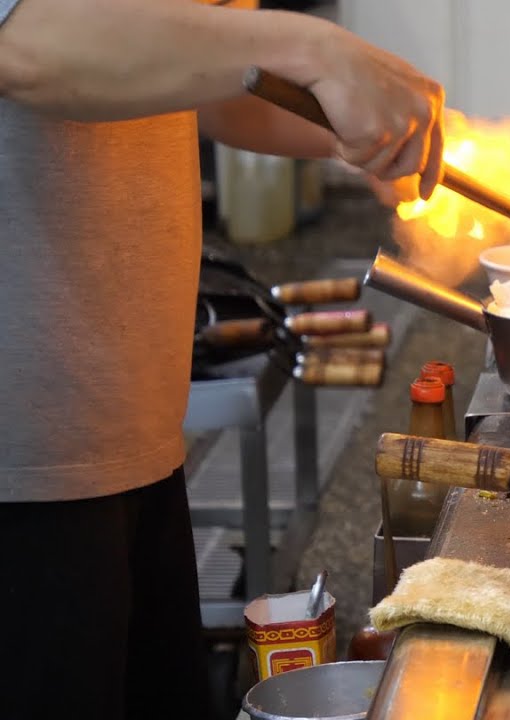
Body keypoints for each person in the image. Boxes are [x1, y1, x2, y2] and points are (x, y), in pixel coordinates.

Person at [0, 1, 444, 717]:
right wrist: (314, 48)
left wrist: (365, 132)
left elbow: (207, 79)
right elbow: (25, 44)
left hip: (133, 424)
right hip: (19, 463)